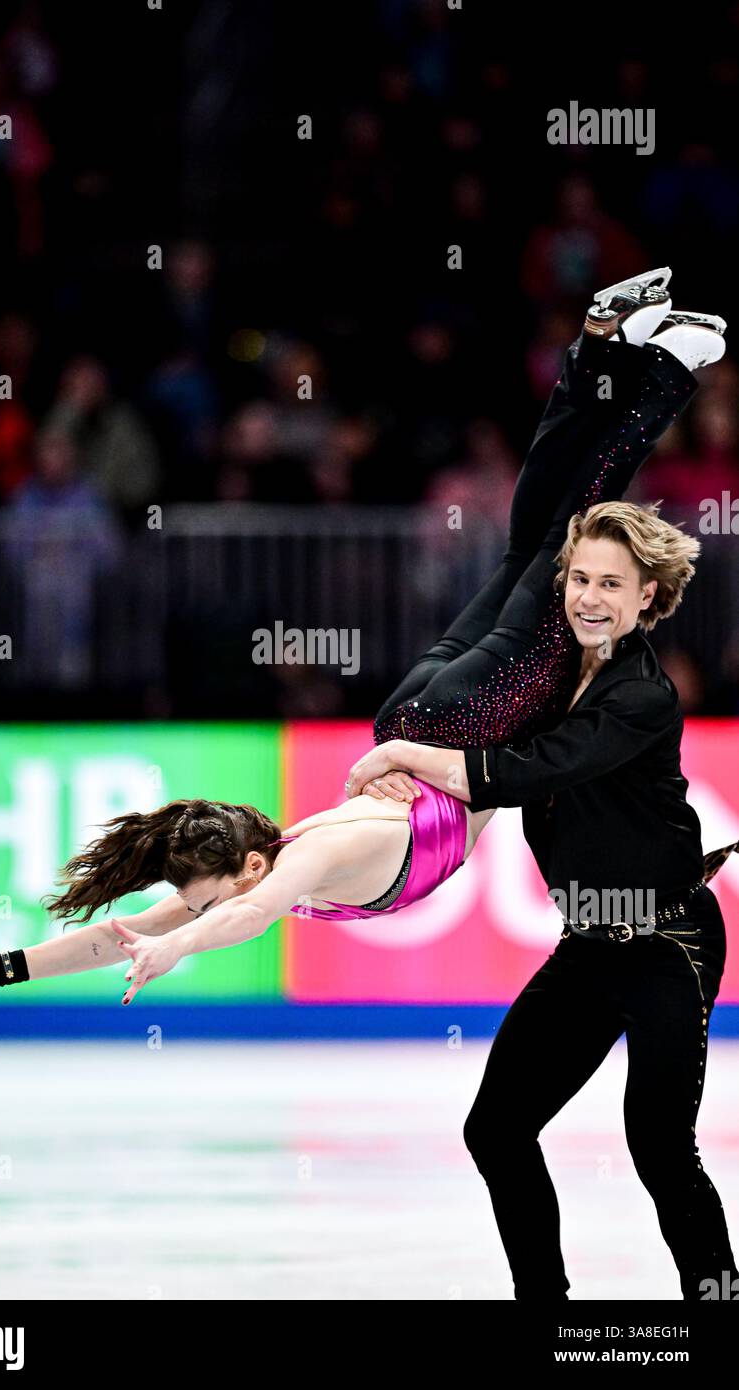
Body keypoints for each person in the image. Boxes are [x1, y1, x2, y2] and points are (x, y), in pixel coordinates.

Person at [0, 269, 727, 1011]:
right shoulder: (267, 858)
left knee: (565, 546)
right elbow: (117, 934)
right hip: (424, 715)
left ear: (251, 866)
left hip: (463, 716)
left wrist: (174, 947)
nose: (204, 907)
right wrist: (1, 970)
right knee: (532, 547)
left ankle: (665, 370)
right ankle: (596, 348)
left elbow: (254, 914)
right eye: (199, 903)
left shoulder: (311, 857)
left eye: (208, 899)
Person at [343, 284, 739, 1301]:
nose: (589, 596)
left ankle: (715, 1299)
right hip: (584, 946)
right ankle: (545, 1311)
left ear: (647, 598)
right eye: (584, 584)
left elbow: (536, 770)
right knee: (495, 1129)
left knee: (658, 1146)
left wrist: (428, 771)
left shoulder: (641, 694)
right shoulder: (554, 645)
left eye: (610, 585)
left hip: (664, 942)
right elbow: (550, 544)